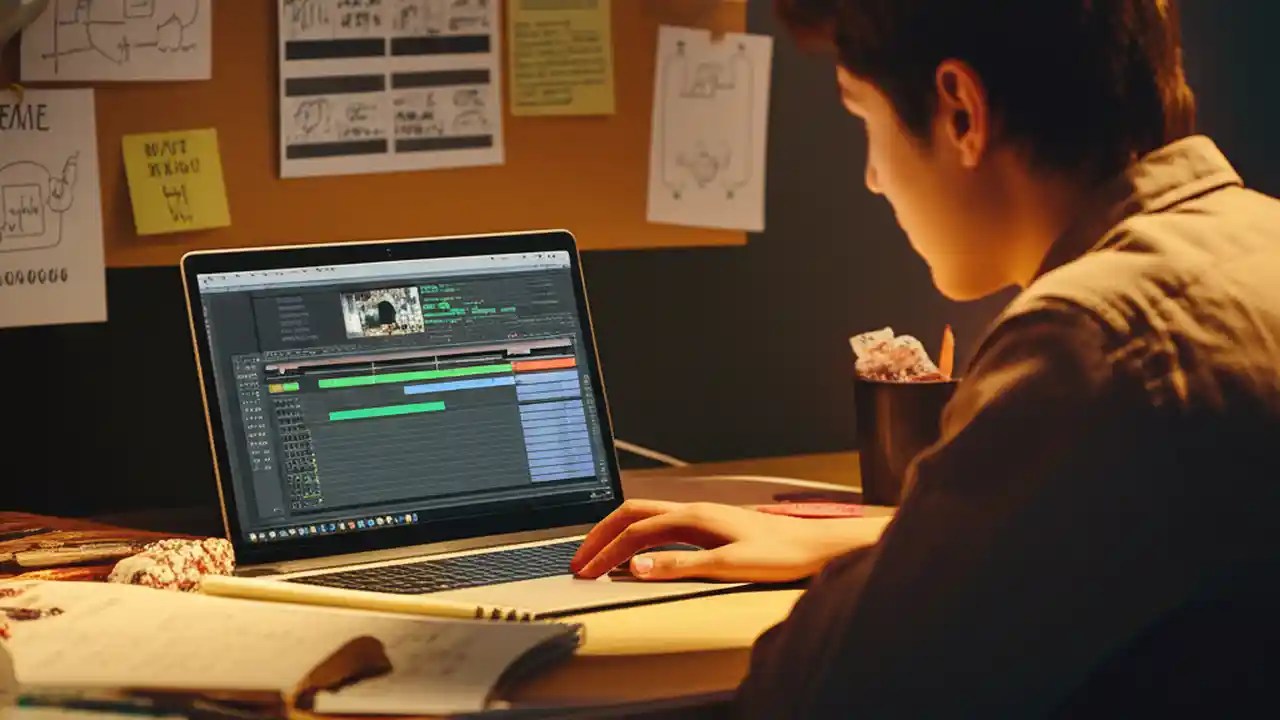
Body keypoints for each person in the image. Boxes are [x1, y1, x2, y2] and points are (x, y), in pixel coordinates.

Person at [569, 0, 1280, 715]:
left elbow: (818, 696)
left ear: (961, 114)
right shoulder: (1258, 242)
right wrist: (872, 540)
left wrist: (885, 572)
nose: (873, 177)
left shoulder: (1091, 342)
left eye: (862, 118)